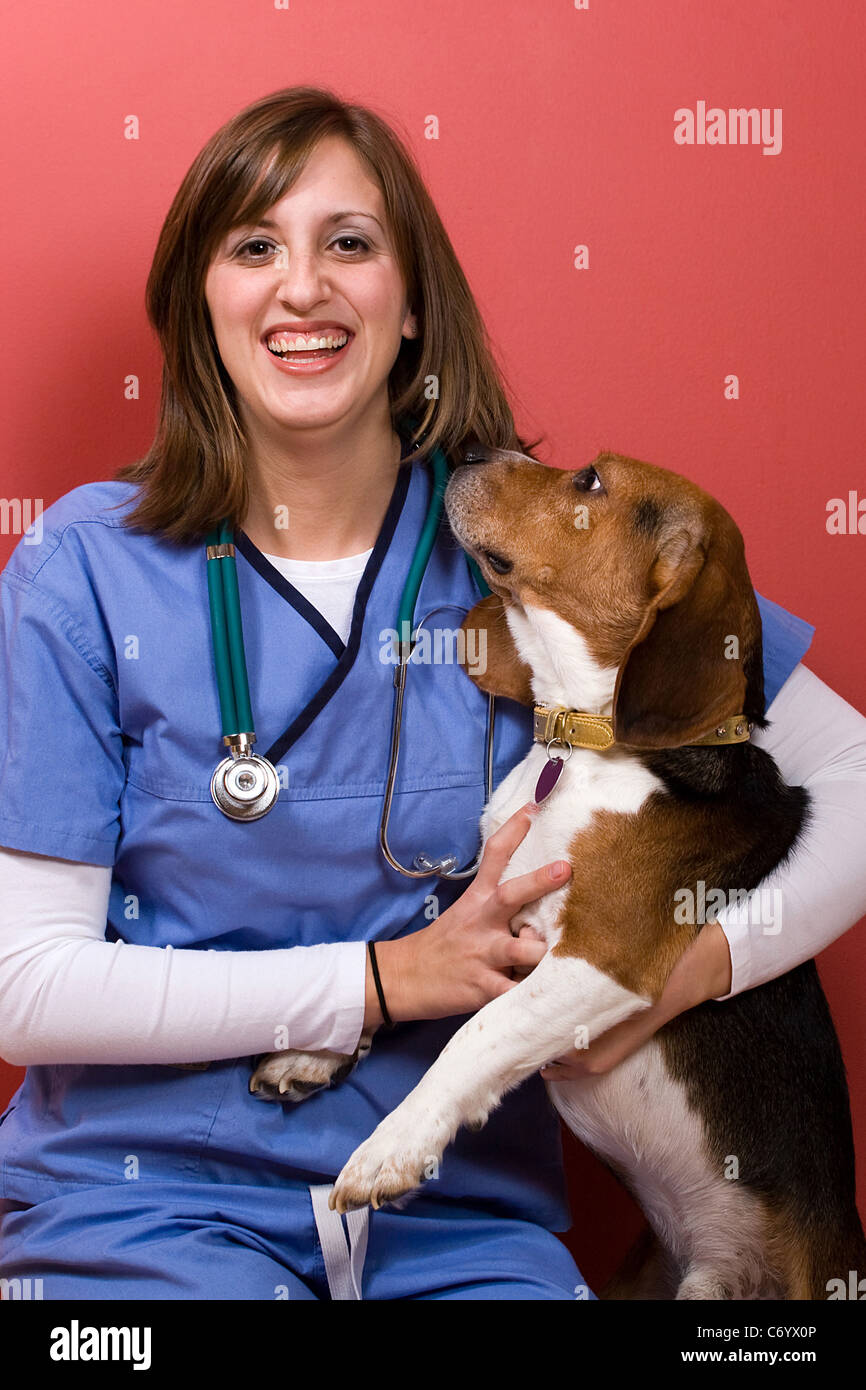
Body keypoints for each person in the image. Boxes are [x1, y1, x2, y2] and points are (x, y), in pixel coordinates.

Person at [0, 85, 864, 1302]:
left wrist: (688, 964)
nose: (302, 287)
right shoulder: (82, 569)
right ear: (201, 301)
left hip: (452, 1230)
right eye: (254, 247)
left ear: (411, 303)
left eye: (347, 244)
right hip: (141, 1215)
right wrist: (378, 980)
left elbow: (855, 780)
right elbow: (23, 987)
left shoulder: (525, 540)